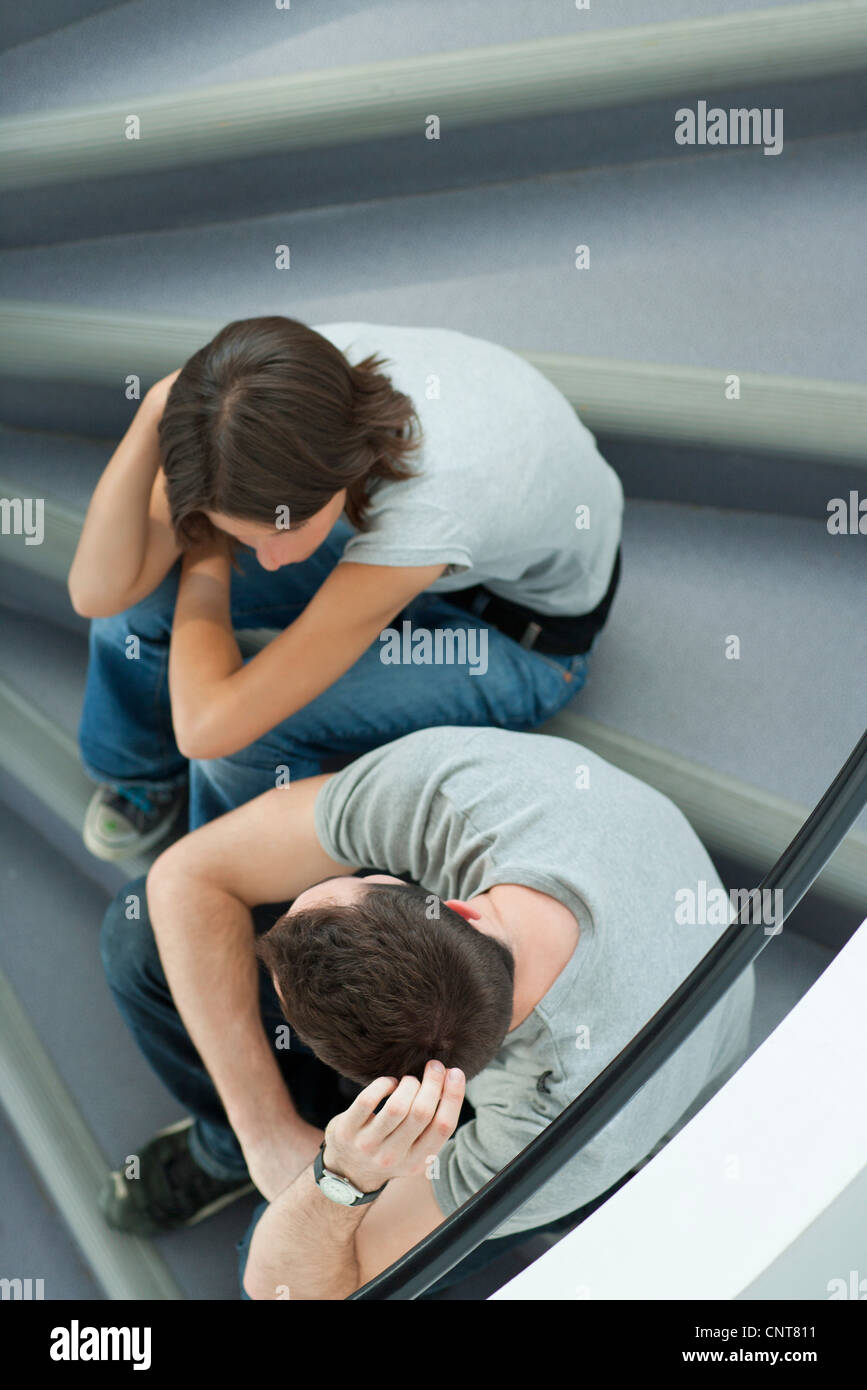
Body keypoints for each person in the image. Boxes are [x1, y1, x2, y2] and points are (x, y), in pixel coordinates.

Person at [99, 725, 755, 1300]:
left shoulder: (559, 1123)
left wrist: (344, 1176)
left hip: (632, 1108)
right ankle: (228, 1150)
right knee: (143, 940)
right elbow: (190, 875)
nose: (337, 877)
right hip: (623, 889)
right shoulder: (449, 791)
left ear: (406, 1088)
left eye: (347, 881)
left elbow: (290, 1293)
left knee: (278, 1266)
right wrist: (263, 1130)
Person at [67, 317, 623, 857]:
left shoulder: (428, 511)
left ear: (330, 479)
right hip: (453, 548)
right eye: (245, 535)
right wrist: (154, 414)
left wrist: (210, 558)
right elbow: (99, 593)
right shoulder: (268, 388)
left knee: (246, 742)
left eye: (275, 533)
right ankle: (143, 777)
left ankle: (230, 893)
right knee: (139, 599)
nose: (269, 558)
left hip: (520, 635)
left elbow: (206, 729)